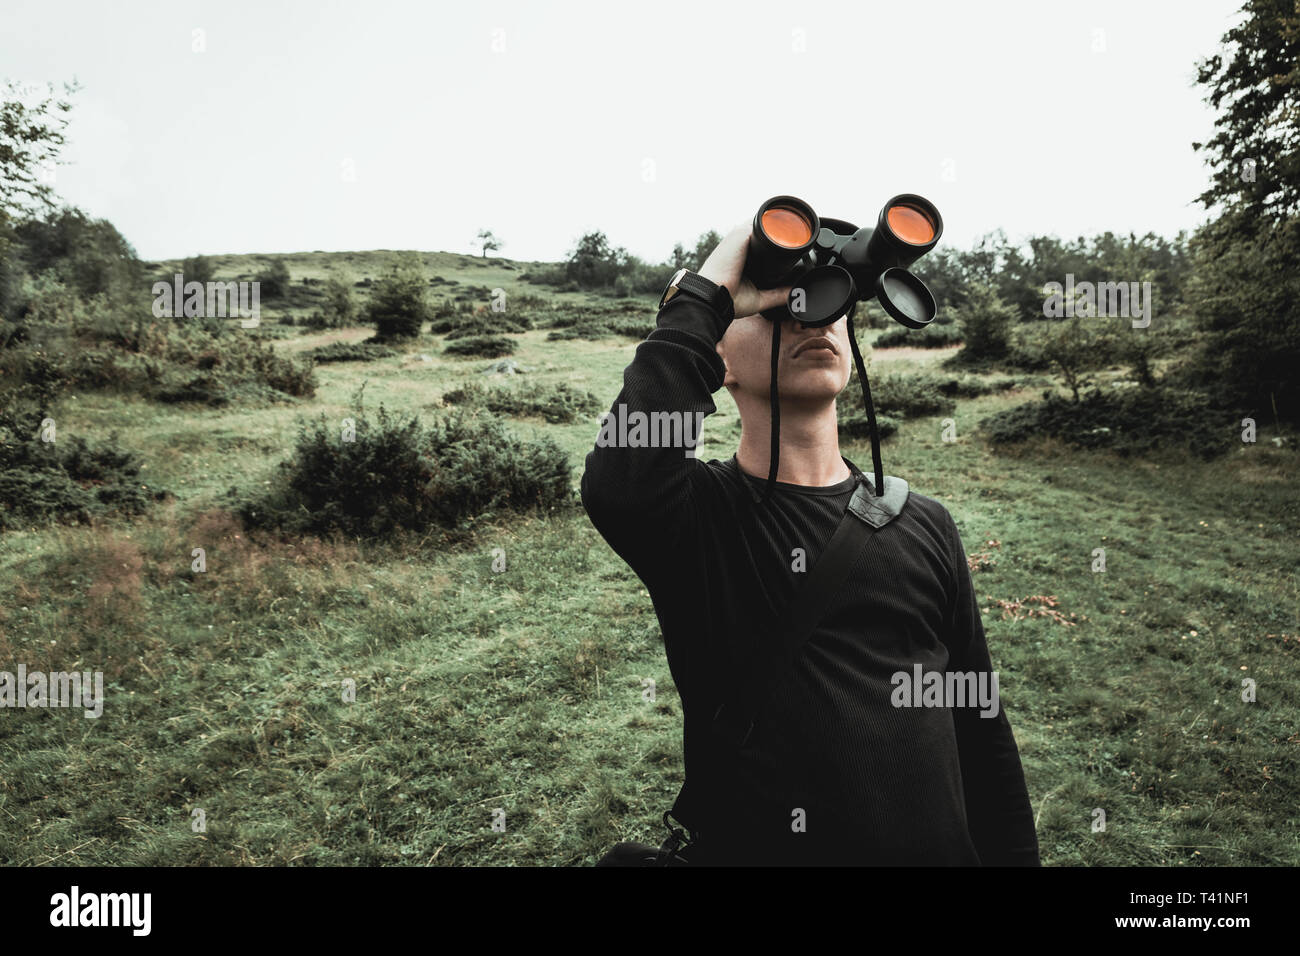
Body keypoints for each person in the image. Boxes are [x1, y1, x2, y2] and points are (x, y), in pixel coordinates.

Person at [581, 222, 1040, 866]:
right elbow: (620, 482)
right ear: (718, 361)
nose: (812, 321)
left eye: (831, 304)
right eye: (781, 307)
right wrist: (702, 296)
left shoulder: (923, 522)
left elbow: (980, 723)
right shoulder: (697, 518)